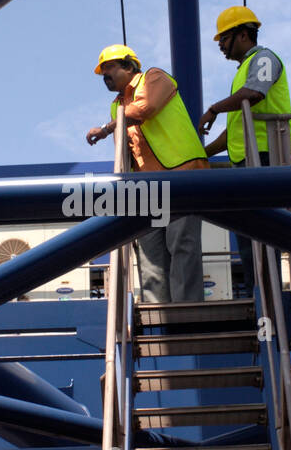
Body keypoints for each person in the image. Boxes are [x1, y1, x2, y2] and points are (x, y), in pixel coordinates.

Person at [86, 44, 208, 304]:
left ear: (129, 66)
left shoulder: (153, 77)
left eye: (109, 68)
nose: (105, 76)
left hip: (180, 173)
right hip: (146, 187)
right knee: (150, 256)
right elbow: (126, 153)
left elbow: (146, 108)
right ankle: (159, 315)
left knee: (182, 246)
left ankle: (188, 311)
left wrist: (107, 128)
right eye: (102, 72)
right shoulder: (116, 106)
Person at [196, 6, 291, 298]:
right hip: (246, 163)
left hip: (267, 157)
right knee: (250, 235)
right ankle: (259, 294)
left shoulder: (264, 59)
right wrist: (200, 155)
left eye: (223, 39)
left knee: (265, 230)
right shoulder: (242, 74)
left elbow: (255, 93)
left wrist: (214, 108)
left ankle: (270, 295)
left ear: (242, 34)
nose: (221, 47)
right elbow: (234, 132)